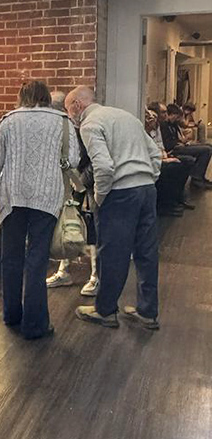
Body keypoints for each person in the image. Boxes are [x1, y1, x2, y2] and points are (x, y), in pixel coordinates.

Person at [0, 80, 79, 340]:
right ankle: (35, 325)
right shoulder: (63, 122)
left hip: (12, 197)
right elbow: (73, 160)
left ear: (21, 96)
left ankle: (11, 315)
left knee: (10, 258)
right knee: (37, 261)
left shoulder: (8, 121)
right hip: (47, 198)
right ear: (47, 97)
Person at [65, 86, 161, 330]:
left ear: (77, 105)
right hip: (146, 190)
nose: (70, 117)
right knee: (146, 252)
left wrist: (99, 196)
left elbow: (104, 167)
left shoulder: (89, 124)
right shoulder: (127, 117)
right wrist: (149, 178)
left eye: (68, 110)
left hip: (120, 194)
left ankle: (106, 310)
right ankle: (147, 311)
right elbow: (154, 154)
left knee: (113, 254)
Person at [46, 89, 99, 296]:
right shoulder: (65, 127)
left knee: (91, 225)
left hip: (86, 182)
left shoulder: (79, 128)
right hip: (73, 182)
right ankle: (64, 270)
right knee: (68, 225)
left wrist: (80, 182)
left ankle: (96, 275)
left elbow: (91, 160)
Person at [145, 107, 193, 216]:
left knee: (185, 162)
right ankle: (166, 203)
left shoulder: (159, 128)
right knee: (175, 167)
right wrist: (164, 158)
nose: (153, 121)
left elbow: (160, 145)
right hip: (153, 161)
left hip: (162, 156)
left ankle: (177, 198)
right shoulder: (146, 132)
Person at [161, 103, 212, 187]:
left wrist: (183, 141)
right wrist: (180, 142)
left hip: (179, 145)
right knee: (206, 150)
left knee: (209, 146)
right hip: (175, 148)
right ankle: (197, 178)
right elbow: (168, 143)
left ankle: (199, 175)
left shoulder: (173, 124)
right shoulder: (164, 125)